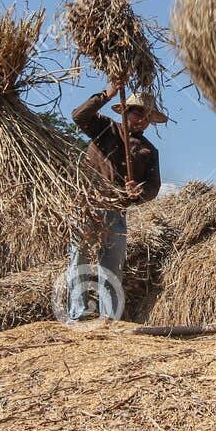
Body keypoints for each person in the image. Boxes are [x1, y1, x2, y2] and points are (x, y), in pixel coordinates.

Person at [67, 84, 164, 320]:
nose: (142, 120)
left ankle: (109, 316)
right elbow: (78, 116)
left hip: (116, 212)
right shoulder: (104, 128)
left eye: (147, 116)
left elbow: (153, 187)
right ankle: (78, 312)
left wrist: (137, 193)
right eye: (138, 113)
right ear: (125, 112)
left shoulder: (149, 151)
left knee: (111, 266)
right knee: (79, 256)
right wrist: (107, 94)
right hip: (88, 205)